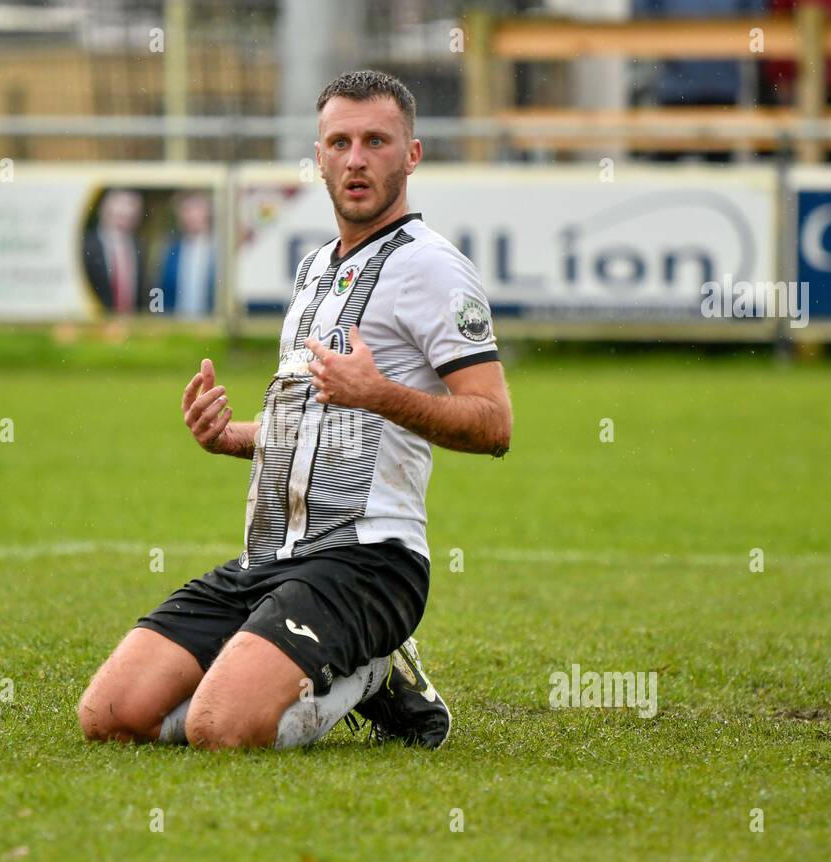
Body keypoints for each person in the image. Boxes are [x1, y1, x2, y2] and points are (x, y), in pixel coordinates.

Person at [77, 70, 512, 751]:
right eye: (339, 142)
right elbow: (310, 425)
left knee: (220, 729)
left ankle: (373, 672)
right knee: (108, 717)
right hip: (269, 558)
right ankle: (267, 674)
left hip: (370, 563)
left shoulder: (433, 268)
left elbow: (493, 424)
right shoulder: (314, 270)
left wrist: (382, 394)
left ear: (413, 155)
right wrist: (233, 438)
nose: (356, 158)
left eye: (376, 141)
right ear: (319, 159)